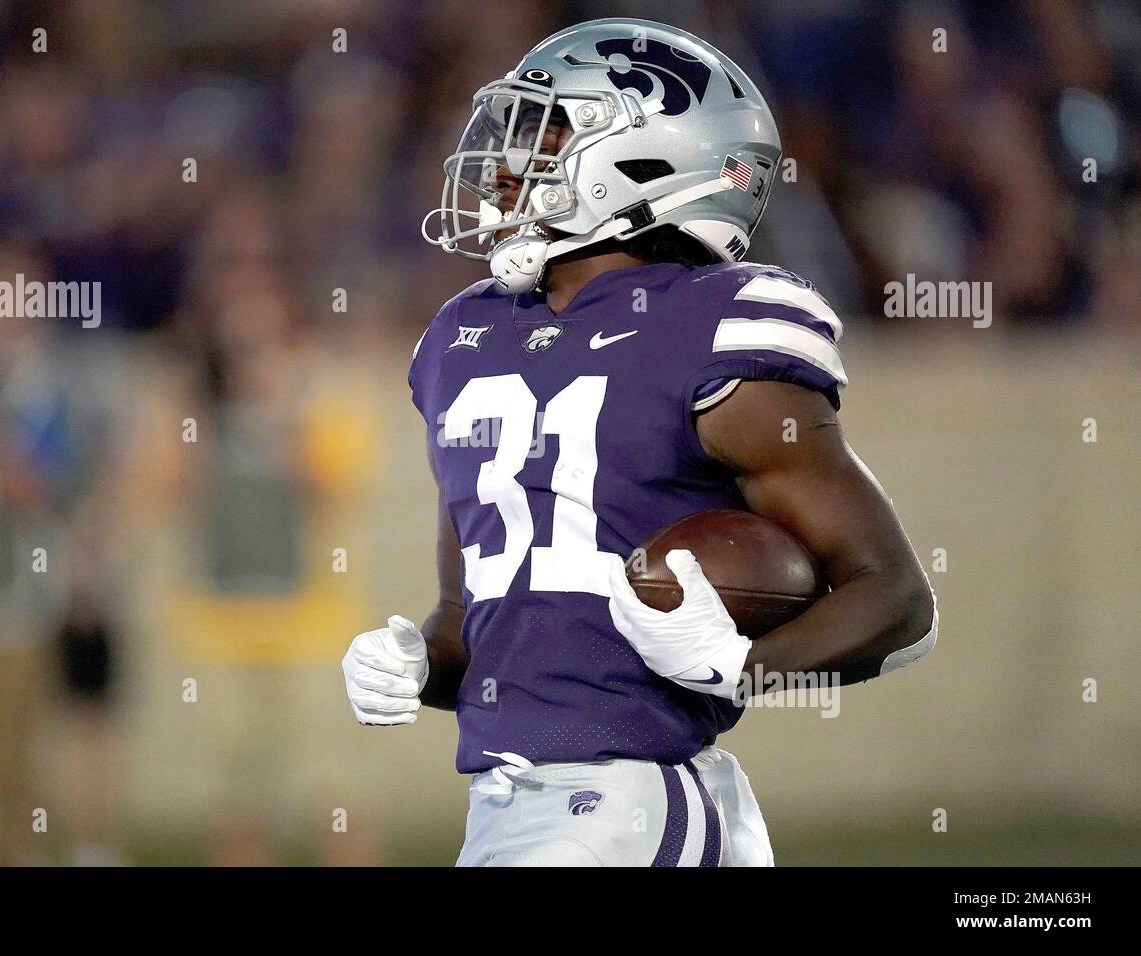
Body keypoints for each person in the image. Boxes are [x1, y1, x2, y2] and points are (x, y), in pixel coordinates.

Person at [343, 18, 937, 867]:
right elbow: (474, 628)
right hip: (511, 804)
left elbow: (898, 603)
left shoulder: (716, 327)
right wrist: (415, 660)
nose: (505, 166)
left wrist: (744, 664)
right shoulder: (464, 337)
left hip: (634, 800)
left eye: (545, 137)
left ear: (647, 161)